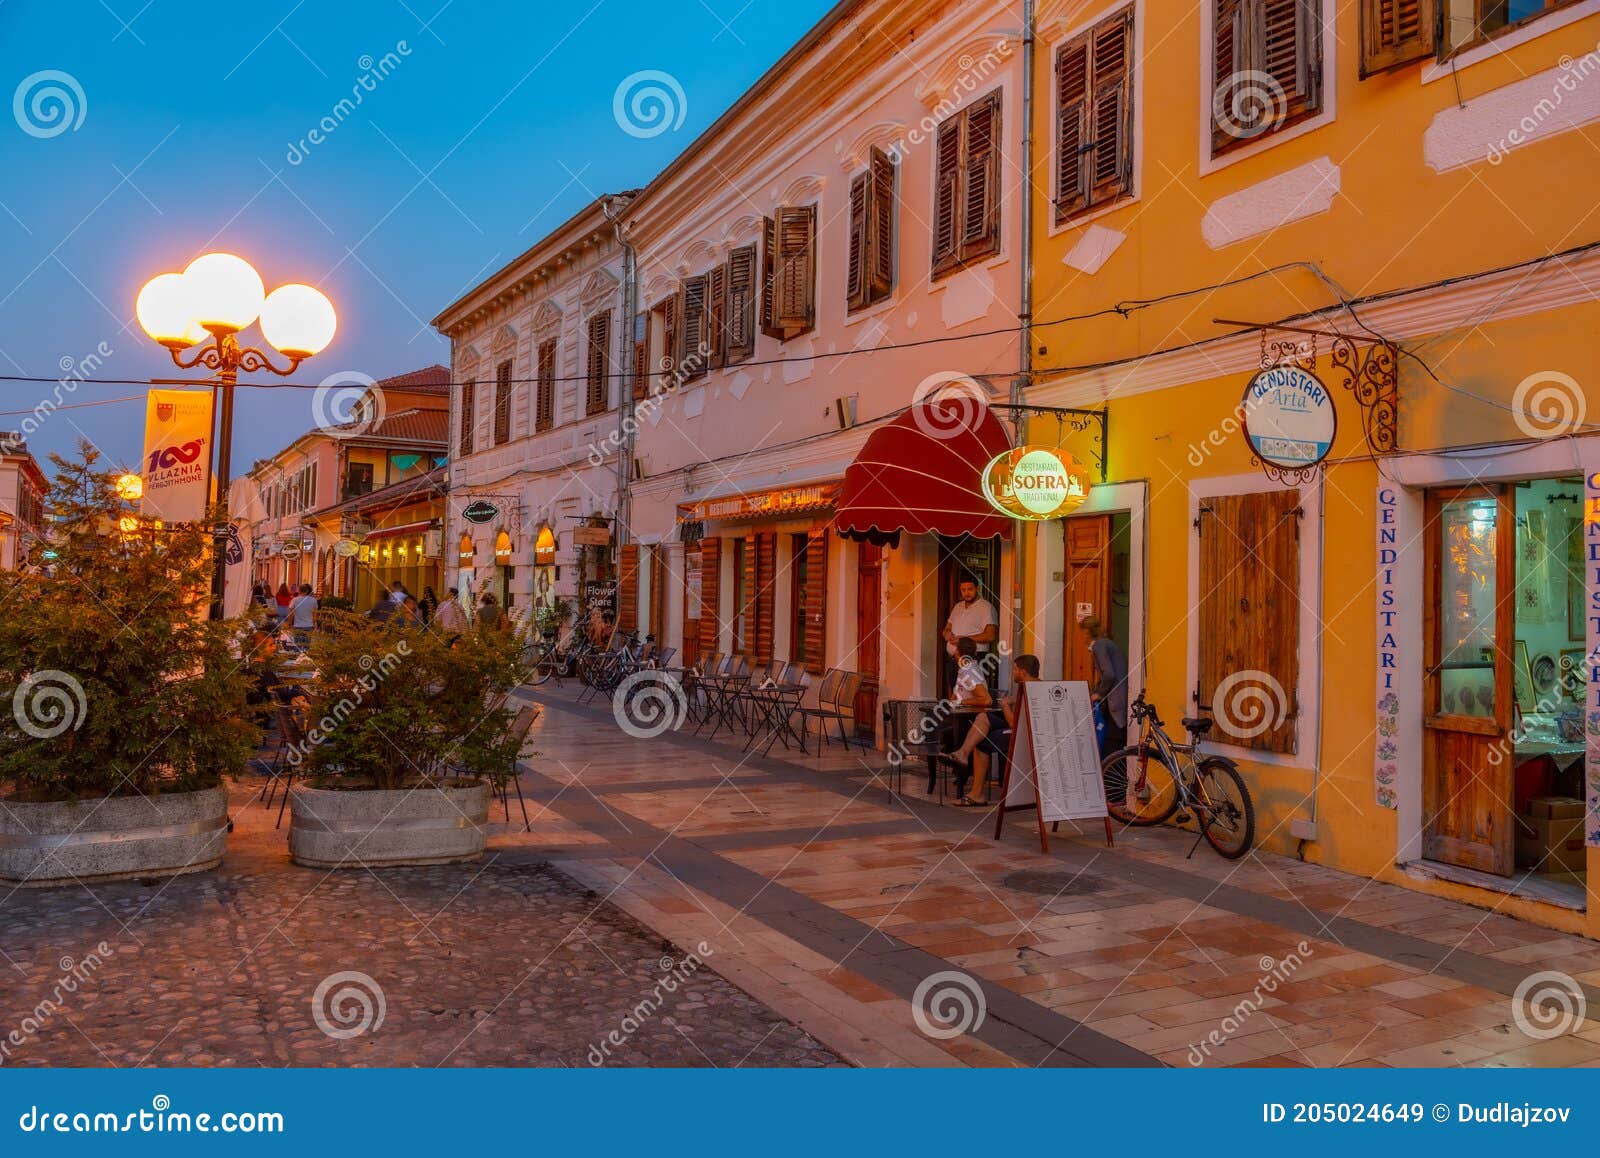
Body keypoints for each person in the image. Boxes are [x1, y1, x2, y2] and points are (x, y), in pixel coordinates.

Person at [945, 653, 1040, 805]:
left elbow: (1014, 725)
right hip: (1020, 728)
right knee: (983, 717)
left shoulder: (1030, 690)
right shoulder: (1033, 686)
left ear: (1023, 672)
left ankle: (977, 795)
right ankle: (963, 753)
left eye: (1015, 669)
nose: (1013, 672)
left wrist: (1005, 705)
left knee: (982, 743)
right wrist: (1012, 702)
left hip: (1025, 735)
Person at [1080, 617, 1128, 760]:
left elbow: (1109, 674)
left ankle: (1110, 774)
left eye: (1083, 633)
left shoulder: (1099, 646)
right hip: (1121, 700)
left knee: (1111, 748)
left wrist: (1098, 694)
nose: (1082, 637)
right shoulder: (1107, 644)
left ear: (1088, 632)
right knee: (1116, 746)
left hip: (1115, 703)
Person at [942, 577, 996, 691]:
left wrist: (963, 640)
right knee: (955, 692)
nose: (966, 593)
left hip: (974, 658)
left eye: (970, 589)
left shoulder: (986, 607)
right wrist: (947, 634)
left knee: (972, 692)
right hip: (954, 658)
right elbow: (947, 628)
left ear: (977, 588)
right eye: (963, 590)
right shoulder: (958, 606)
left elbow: (990, 635)